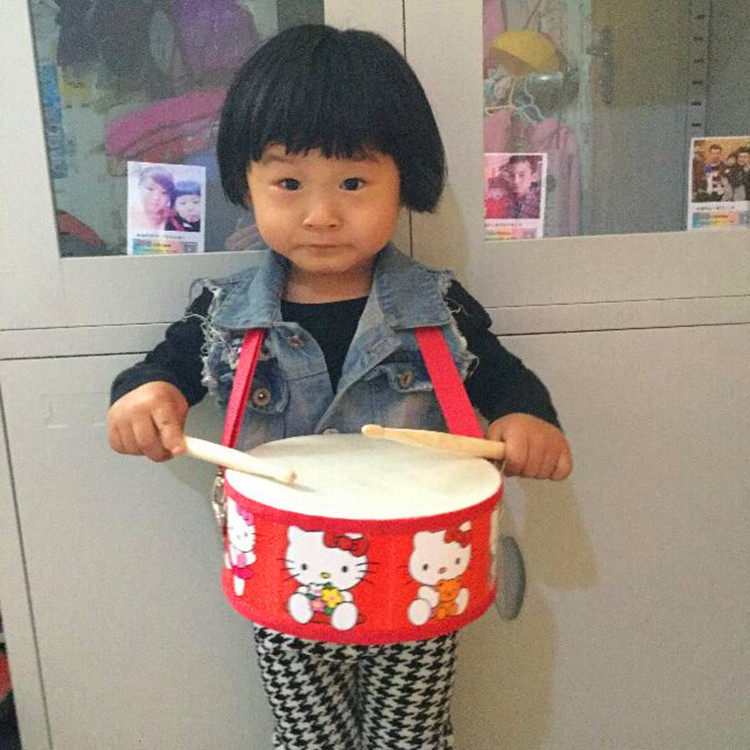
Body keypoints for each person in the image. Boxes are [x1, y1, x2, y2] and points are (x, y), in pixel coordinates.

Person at [107, 24, 572, 749]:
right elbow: (159, 369)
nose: (321, 215)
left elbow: (507, 380)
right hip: (285, 578)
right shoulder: (224, 313)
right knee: (307, 742)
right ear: (246, 184)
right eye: (289, 184)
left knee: (414, 739)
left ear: (403, 181)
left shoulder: (438, 307)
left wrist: (527, 420)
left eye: (353, 183)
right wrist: (145, 398)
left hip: (420, 576)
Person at [130, 165, 176, 231]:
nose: (156, 198)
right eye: (150, 189)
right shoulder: (129, 214)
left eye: (164, 192)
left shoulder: (175, 219)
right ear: (139, 187)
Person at [502, 154, 542, 219]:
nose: (515, 181)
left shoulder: (540, 201)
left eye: (521, 175)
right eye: (511, 175)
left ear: (534, 177)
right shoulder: (504, 197)